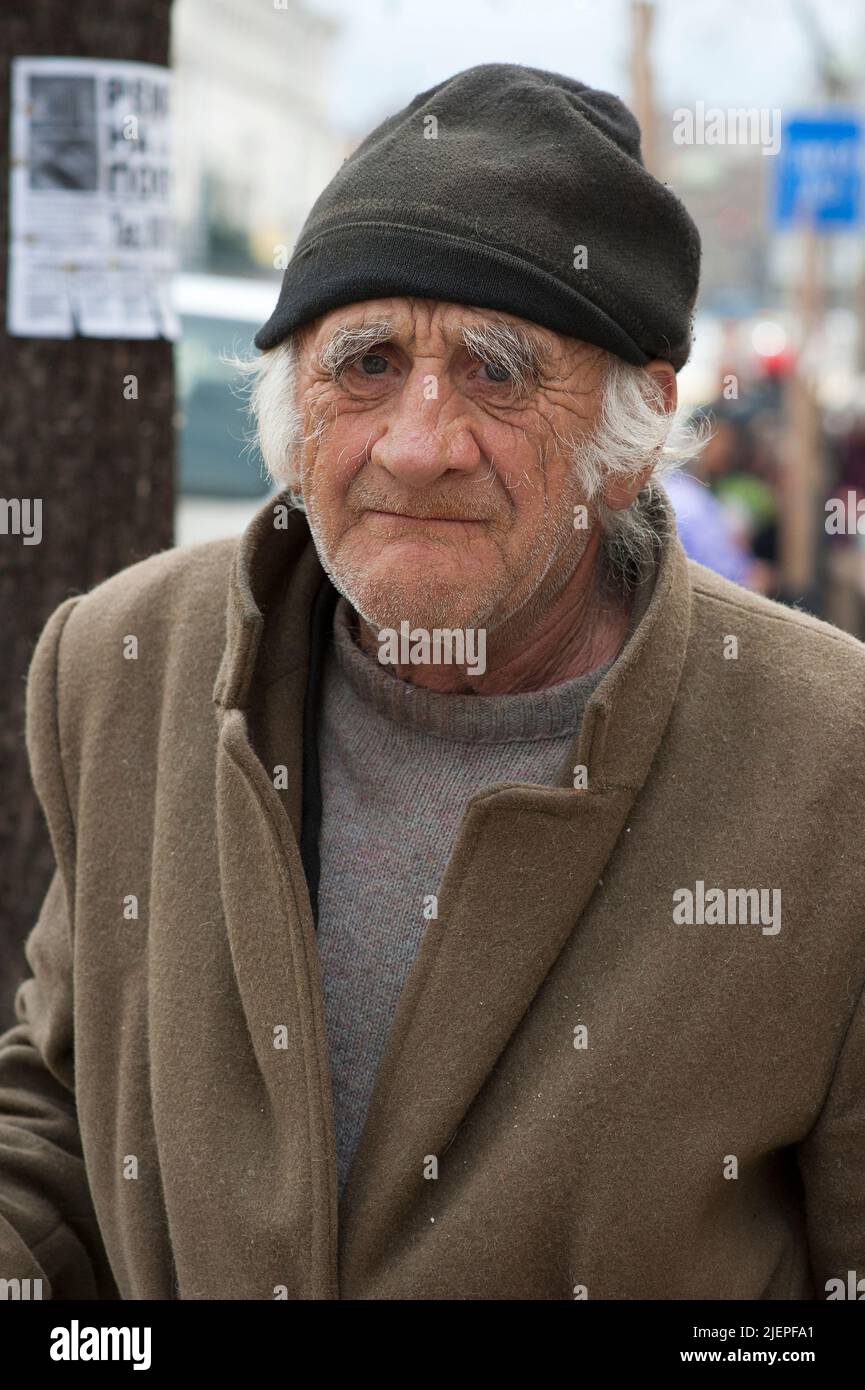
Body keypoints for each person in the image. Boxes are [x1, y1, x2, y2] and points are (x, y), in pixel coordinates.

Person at [2, 63, 864, 1301]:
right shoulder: (124, 665)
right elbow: (63, 1109)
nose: (417, 441)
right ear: (294, 408)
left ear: (630, 438)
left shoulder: (830, 762)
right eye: (363, 362)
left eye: (496, 371)